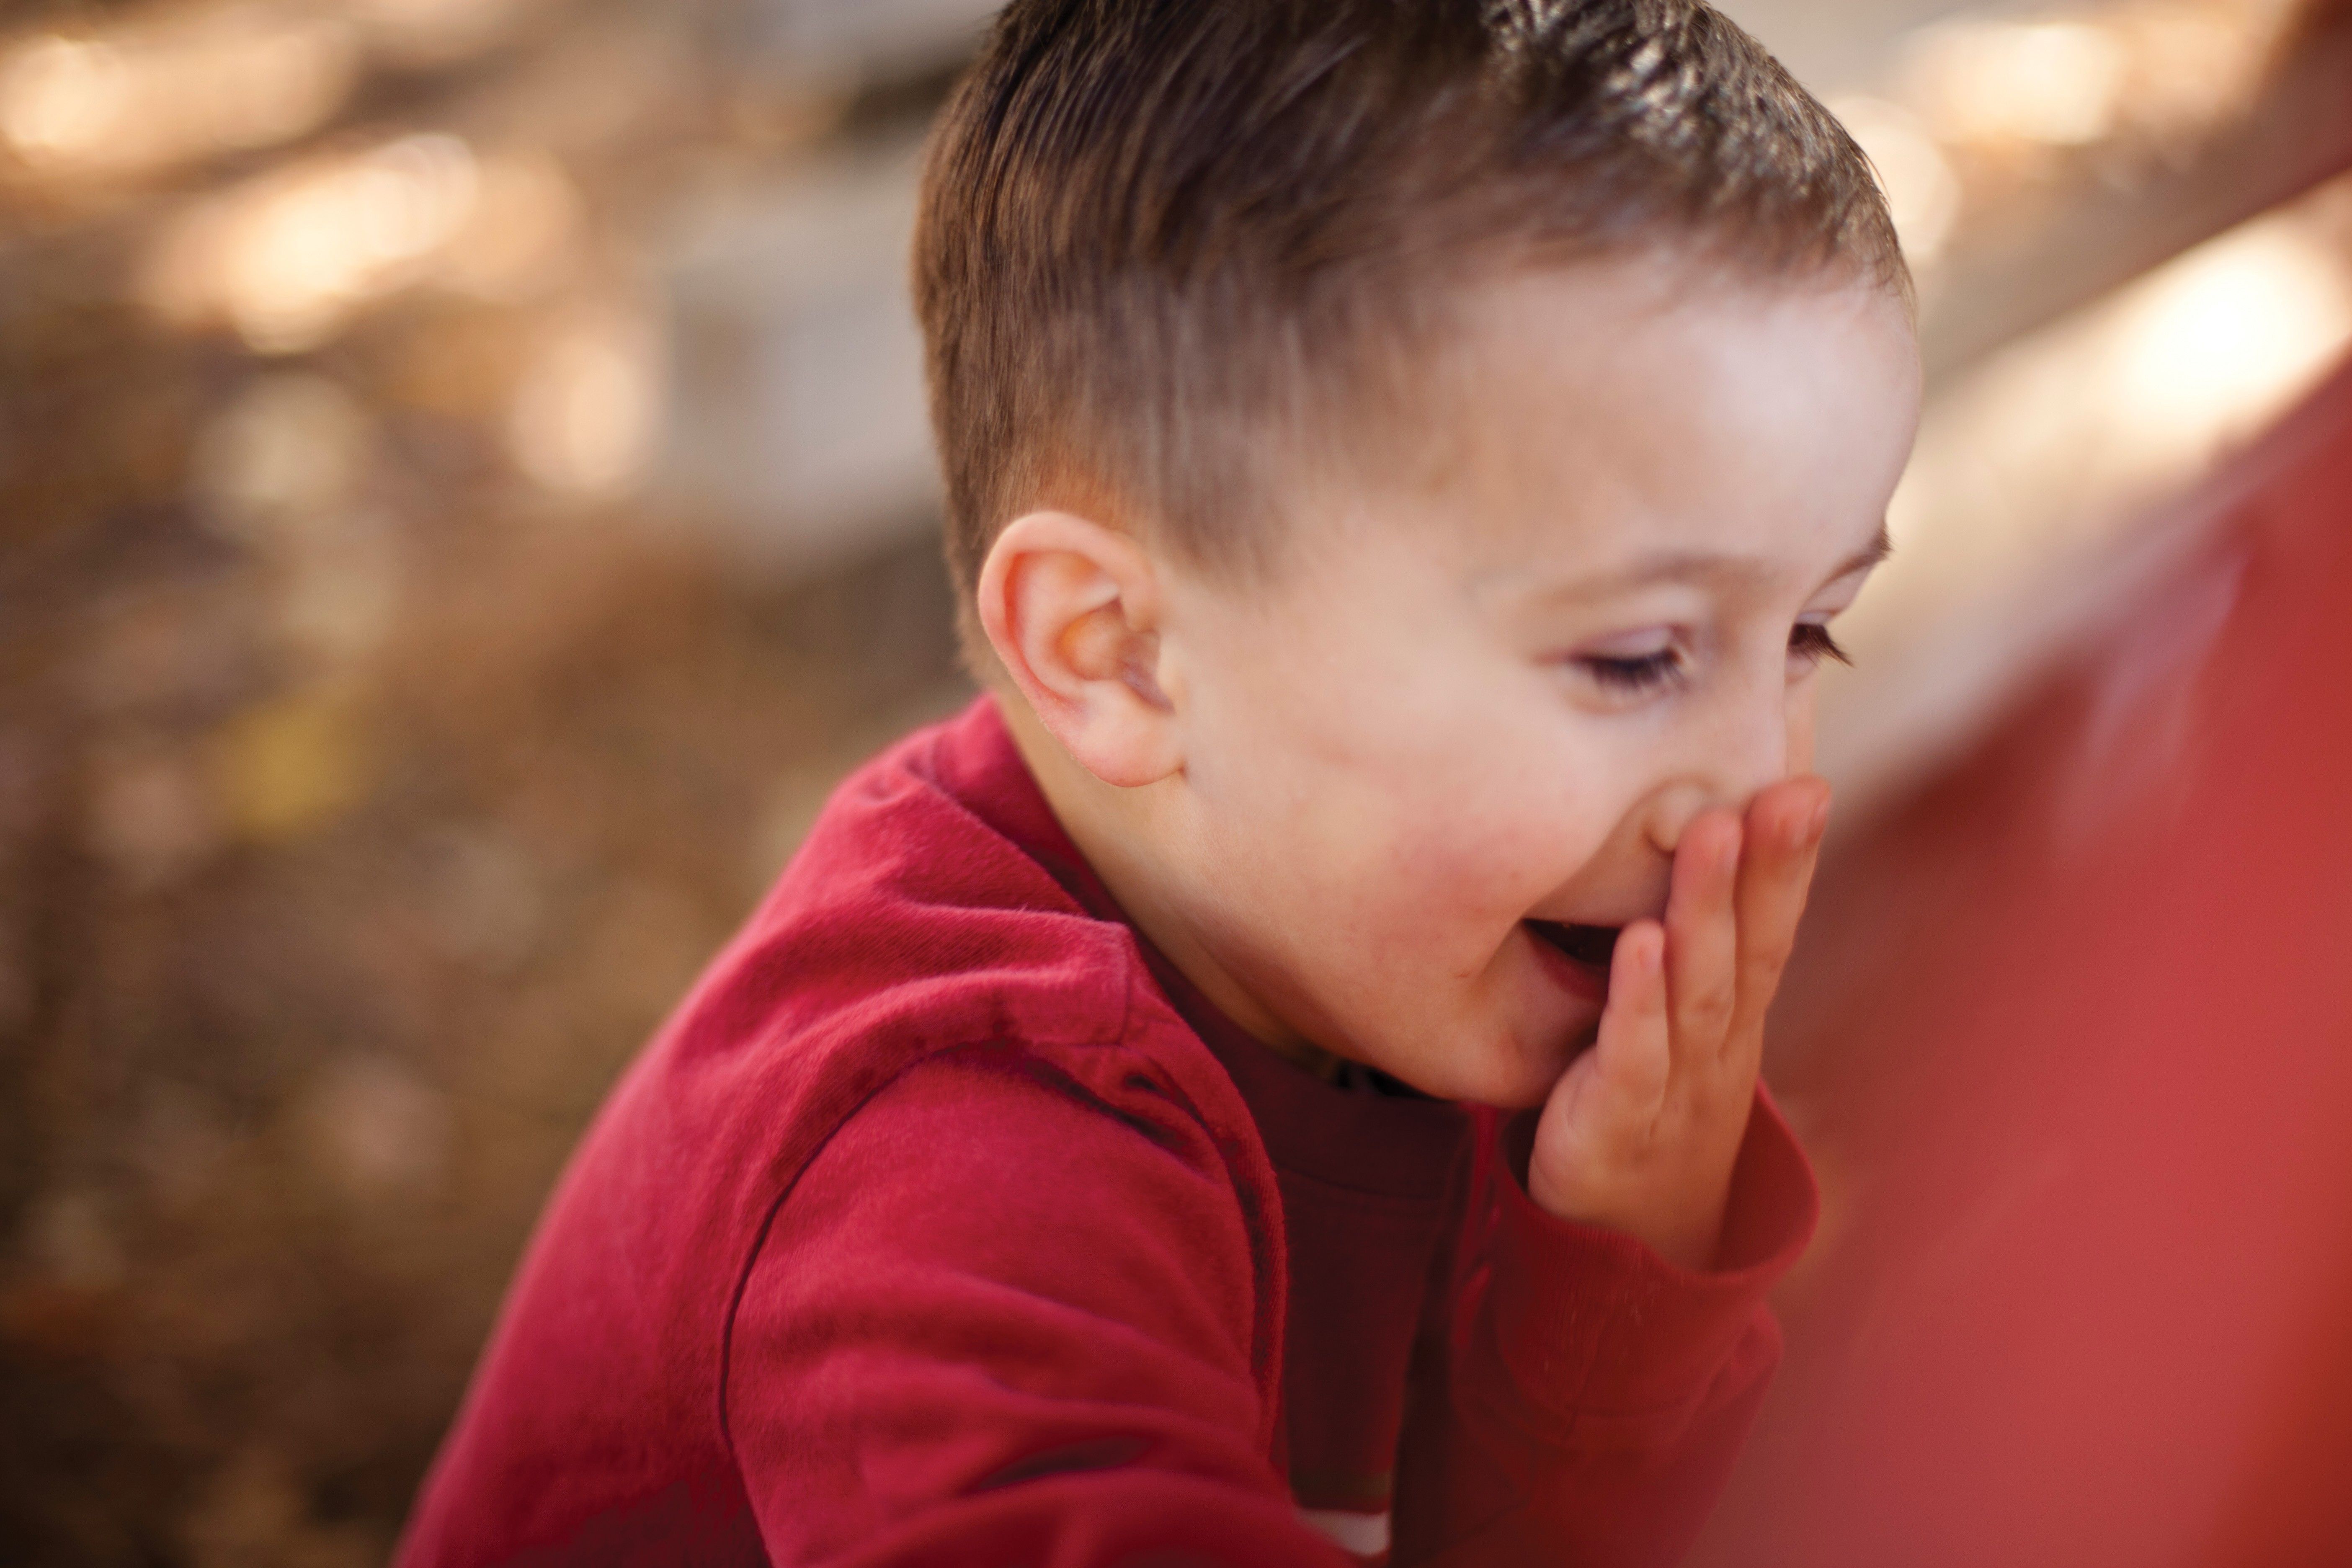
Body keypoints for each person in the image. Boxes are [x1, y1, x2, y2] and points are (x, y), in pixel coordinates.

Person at [395, 1, 1919, 1563]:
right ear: (1122, 657)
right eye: (1637, 657)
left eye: (1810, 634)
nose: (1750, 782)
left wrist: (1620, 1255)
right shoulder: (944, 1170)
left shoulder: (1379, 935)